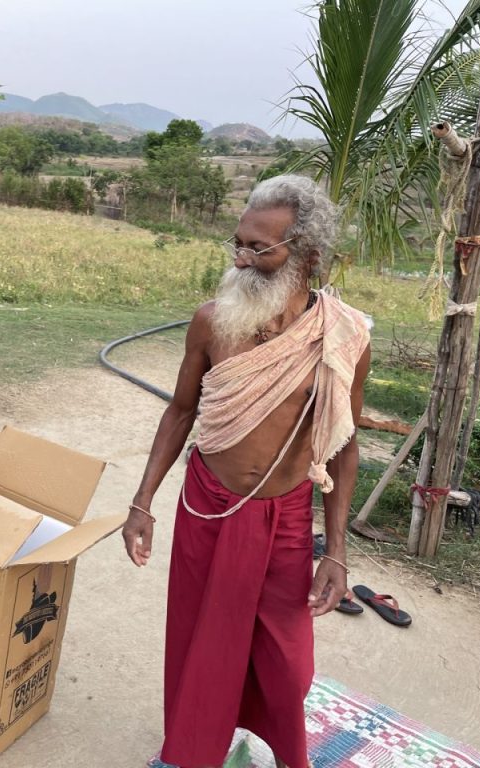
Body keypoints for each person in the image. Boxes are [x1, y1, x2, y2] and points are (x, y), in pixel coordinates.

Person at [123, 175, 371, 768]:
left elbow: (343, 445)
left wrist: (335, 551)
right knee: (200, 646)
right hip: (206, 505)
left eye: (260, 248)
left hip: (286, 515)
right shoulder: (211, 321)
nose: (241, 259)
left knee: (287, 664)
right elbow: (181, 411)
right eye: (238, 243)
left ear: (306, 257)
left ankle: (279, 745)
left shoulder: (342, 336)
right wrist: (141, 503)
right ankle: (192, 751)